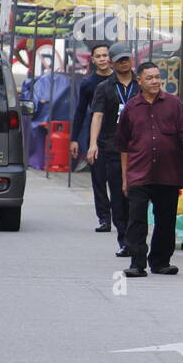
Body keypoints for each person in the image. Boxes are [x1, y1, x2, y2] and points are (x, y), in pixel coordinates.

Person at [115, 62, 183, 278]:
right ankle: (137, 262)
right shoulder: (131, 108)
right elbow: (123, 146)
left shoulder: (173, 105)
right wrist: (125, 178)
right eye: (150, 78)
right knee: (136, 219)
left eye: (157, 77)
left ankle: (161, 261)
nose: (155, 81)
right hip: (138, 172)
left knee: (166, 219)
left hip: (169, 172)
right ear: (140, 82)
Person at [87, 44, 138, 255]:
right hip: (113, 147)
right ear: (112, 63)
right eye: (119, 59)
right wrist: (93, 144)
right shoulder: (105, 87)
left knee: (136, 197)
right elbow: (97, 115)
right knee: (118, 196)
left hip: (138, 149)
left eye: (126, 58)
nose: (123, 62)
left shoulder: (141, 83)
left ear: (131, 60)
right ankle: (124, 240)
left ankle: (136, 239)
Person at [71, 43, 114, 231]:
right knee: (98, 179)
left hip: (119, 135)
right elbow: (80, 111)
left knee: (118, 179)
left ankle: (121, 215)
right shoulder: (88, 83)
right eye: (99, 56)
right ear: (93, 60)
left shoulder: (120, 79)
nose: (103, 59)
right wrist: (74, 139)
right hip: (95, 136)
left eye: (105, 55)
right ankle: (104, 218)